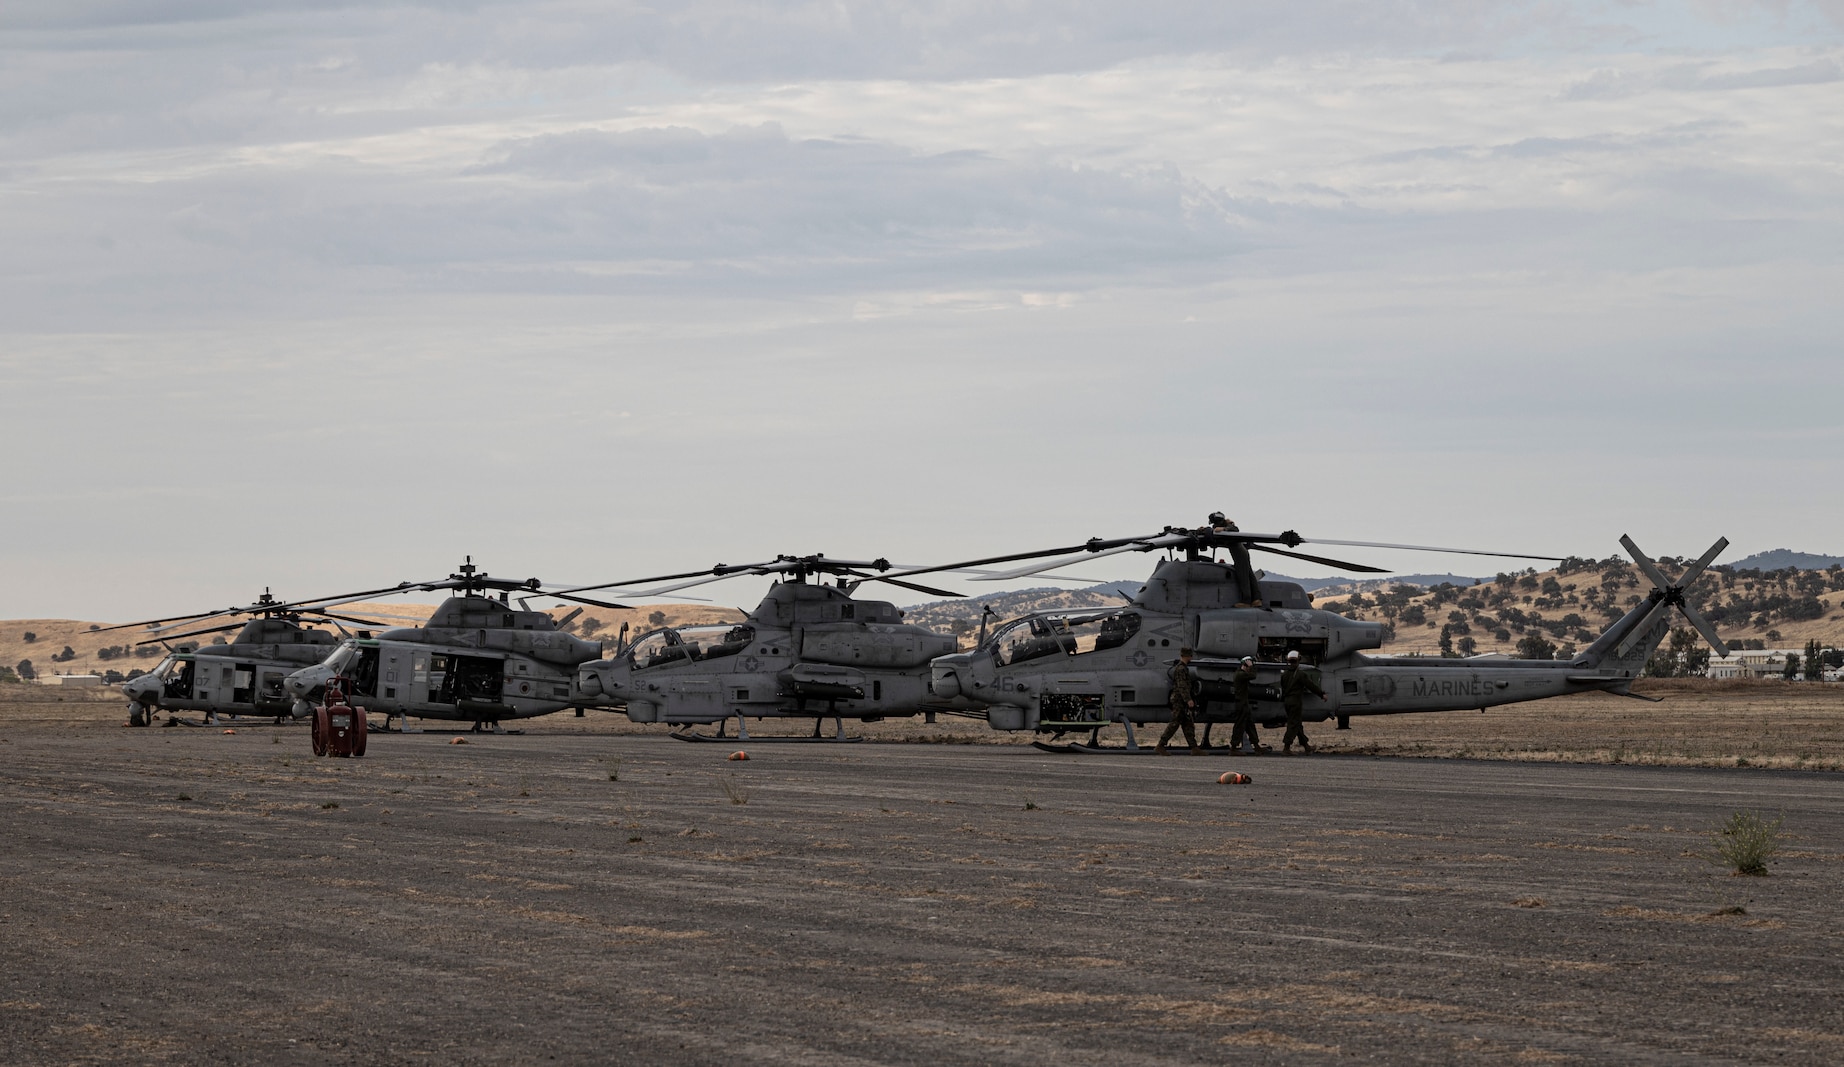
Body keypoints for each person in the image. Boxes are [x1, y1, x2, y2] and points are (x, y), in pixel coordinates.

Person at [1158, 647, 1203, 755]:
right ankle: (1160, 745)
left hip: (1181, 700)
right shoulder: (1181, 669)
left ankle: (1194, 748)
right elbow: (1182, 686)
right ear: (1187, 656)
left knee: (1188, 724)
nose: (1191, 658)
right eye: (1190, 655)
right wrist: (1188, 700)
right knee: (1174, 723)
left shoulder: (1181, 668)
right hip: (1179, 700)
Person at [1279, 650, 1326, 754]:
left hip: (1287, 701)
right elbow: (1311, 686)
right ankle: (1286, 747)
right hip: (1295, 702)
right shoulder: (1300, 674)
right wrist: (1321, 694)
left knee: (1297, 724)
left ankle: (1306, 746)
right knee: (1293, 724)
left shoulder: (1284, 675)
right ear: (1298, 660)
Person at [1229, 656, 1265, 755]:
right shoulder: (1240, 674)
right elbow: (1253, 676)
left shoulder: (1240, 674)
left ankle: (1256, 746)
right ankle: (1233, 748)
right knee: (1240, 725)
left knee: (1250, 725)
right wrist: (1252, 667)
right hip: (1241, 704)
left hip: (1244, 703)